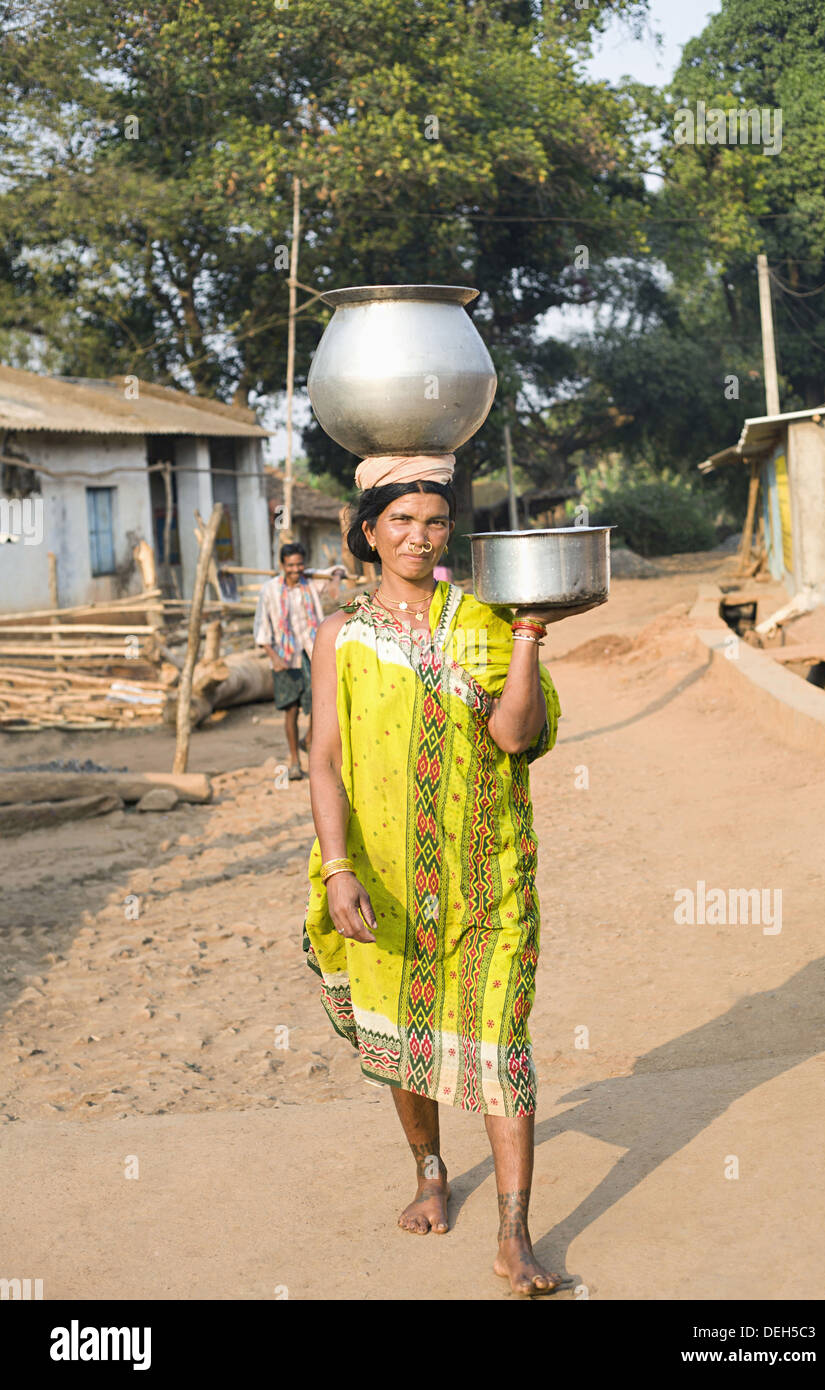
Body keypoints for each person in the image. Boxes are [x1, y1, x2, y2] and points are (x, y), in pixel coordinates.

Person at [302, 452, 593, 1296]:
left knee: (503, 1045)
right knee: (402, 1035)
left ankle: (514, 1236)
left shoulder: (487, 619)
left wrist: (530, 636)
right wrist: (338, 870)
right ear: (369, 532)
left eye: (434, 521)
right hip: (383, 876)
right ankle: (430, 1172)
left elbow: (513, 736)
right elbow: (323, 761)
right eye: (402, 521)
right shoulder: (341, 637)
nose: (420, 536)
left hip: (485, 873)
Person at [253, 543, 346, 779]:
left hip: (311, 651)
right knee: (291, 709)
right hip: (284, 655)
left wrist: (335, 581)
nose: (296, 569)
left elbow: (338, 568)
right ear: (282, 565)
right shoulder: (270, 590)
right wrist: (273, 657)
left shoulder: (311, 582)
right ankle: (294, 761)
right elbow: (262, 627)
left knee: (319, 700)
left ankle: (309, 739)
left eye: (299, 564)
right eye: (291, 565)